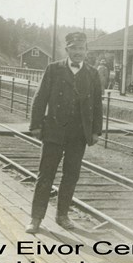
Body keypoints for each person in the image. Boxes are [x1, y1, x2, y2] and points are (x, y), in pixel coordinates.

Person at [25, 32, 102, 234]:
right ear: (67, 50)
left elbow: (97, 104)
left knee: (71, 175)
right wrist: (35, 125)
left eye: (81, 48)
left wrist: (96, 131)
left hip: (79, 134)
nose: (78, 52)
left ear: (86, 51)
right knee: (45, 175)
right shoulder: (53, 69)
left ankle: (62, 215)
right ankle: (36, 218)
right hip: (54, 130)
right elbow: (40, 97)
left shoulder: (92, 74)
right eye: (74, 48)